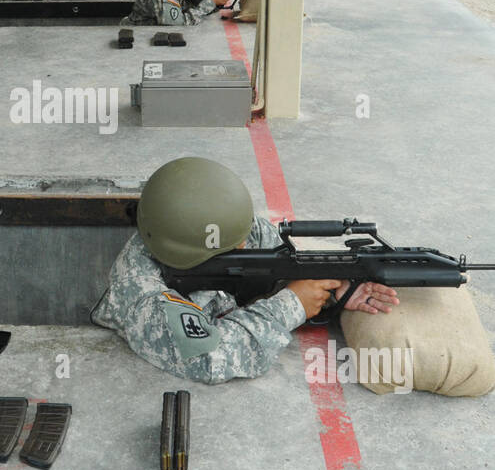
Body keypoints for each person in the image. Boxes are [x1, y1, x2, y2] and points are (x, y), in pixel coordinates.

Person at [92, 158, 398, 384]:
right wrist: (291, 305)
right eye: (233, 244)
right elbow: (211, 358)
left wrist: (335, 284)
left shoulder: (219, 231)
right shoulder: (139, 295)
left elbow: (276, 254)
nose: (244, 243)